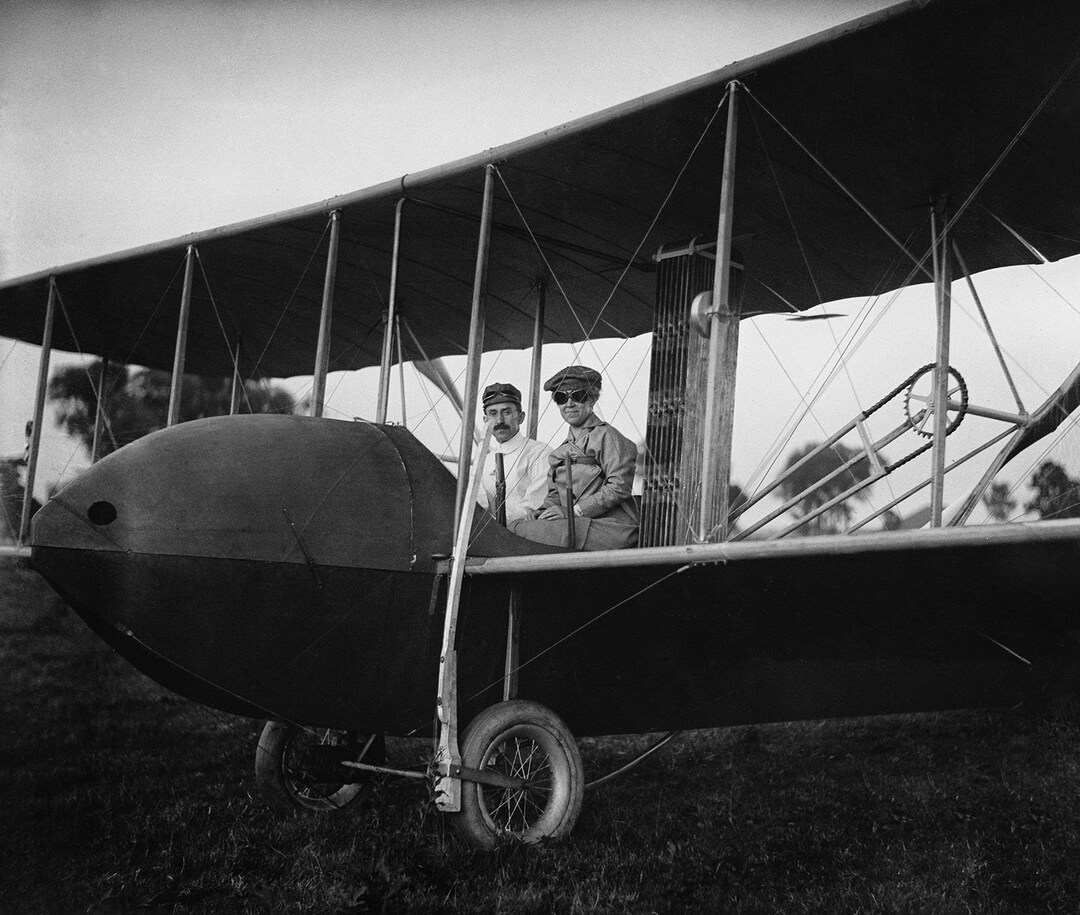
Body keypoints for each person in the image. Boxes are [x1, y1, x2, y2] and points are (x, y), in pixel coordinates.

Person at [511, 365, 639, 550]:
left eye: (578, 396)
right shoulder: (560, 451)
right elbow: (555, 494)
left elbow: (619, 487)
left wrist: (574, 512)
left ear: (592, 399)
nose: (569, 404)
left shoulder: (607, 437)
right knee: (517, 527)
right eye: (562, 398)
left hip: (610, 527)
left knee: (521, 534)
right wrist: (541, 511)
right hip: (577, 524)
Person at [476, 382, 552, 525]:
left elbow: (533, 507)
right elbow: (480, 507)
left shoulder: (539, 453)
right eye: (493, 413)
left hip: (529, 534)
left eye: (506, 412)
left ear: (520, 417)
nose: (499, 420)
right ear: (485, 421)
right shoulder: (484, 462)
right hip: (493, 538)